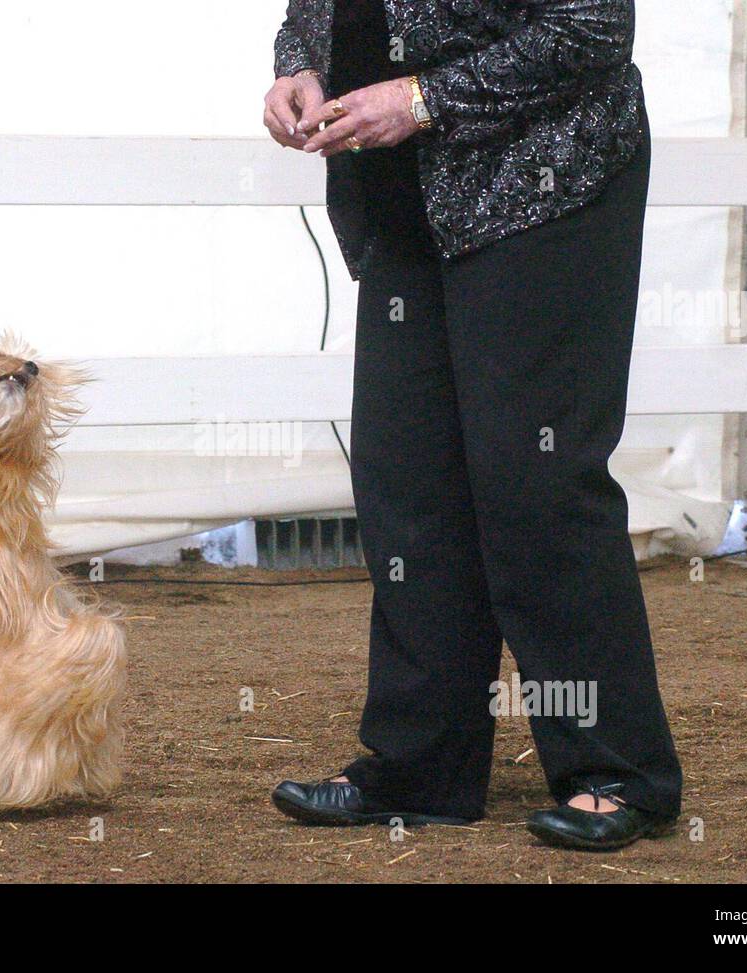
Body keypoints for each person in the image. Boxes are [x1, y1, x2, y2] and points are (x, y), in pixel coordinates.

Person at [261, 0, 683, 851]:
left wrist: (420, 99)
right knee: (407, 488)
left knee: (538, 485)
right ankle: (421, 765)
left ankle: (616, 769)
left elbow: (592, 29)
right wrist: (300, 64)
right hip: (403, 199)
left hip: (542, 190)